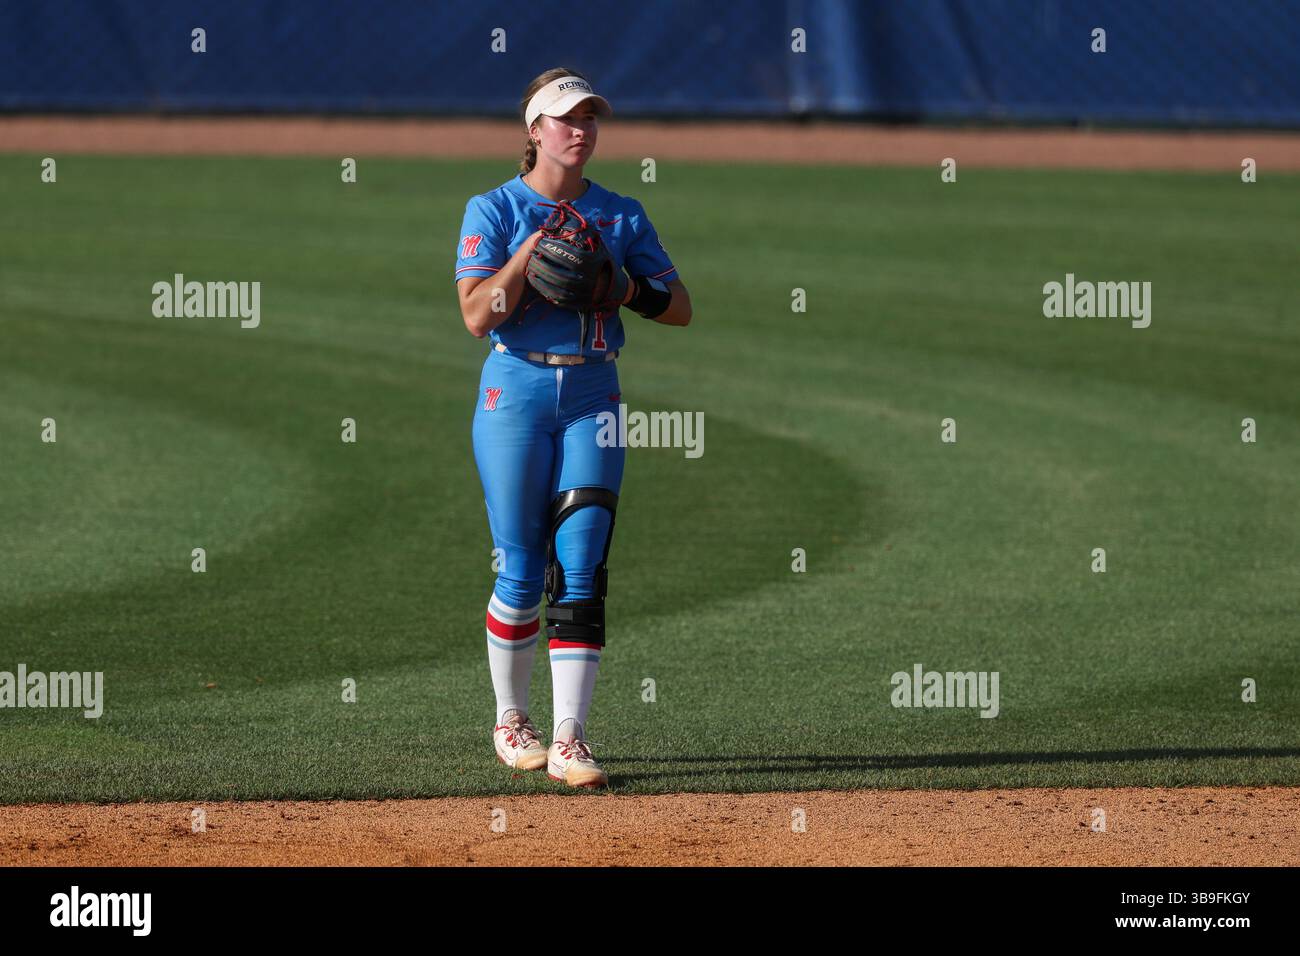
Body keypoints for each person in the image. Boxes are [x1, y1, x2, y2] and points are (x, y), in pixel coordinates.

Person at [454, 67, 692, 788]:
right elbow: (476, 315)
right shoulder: (492, 208)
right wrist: (533, 253)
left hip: (594, 394)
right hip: (514, 392)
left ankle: (570, 739)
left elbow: (679, 307)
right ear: (534, 130)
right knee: (521, 567)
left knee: (583, 565)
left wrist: (620, 286)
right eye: (565, 118)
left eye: (590, 117)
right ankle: (510, 719)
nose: (580, 129)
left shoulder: (621, 215)